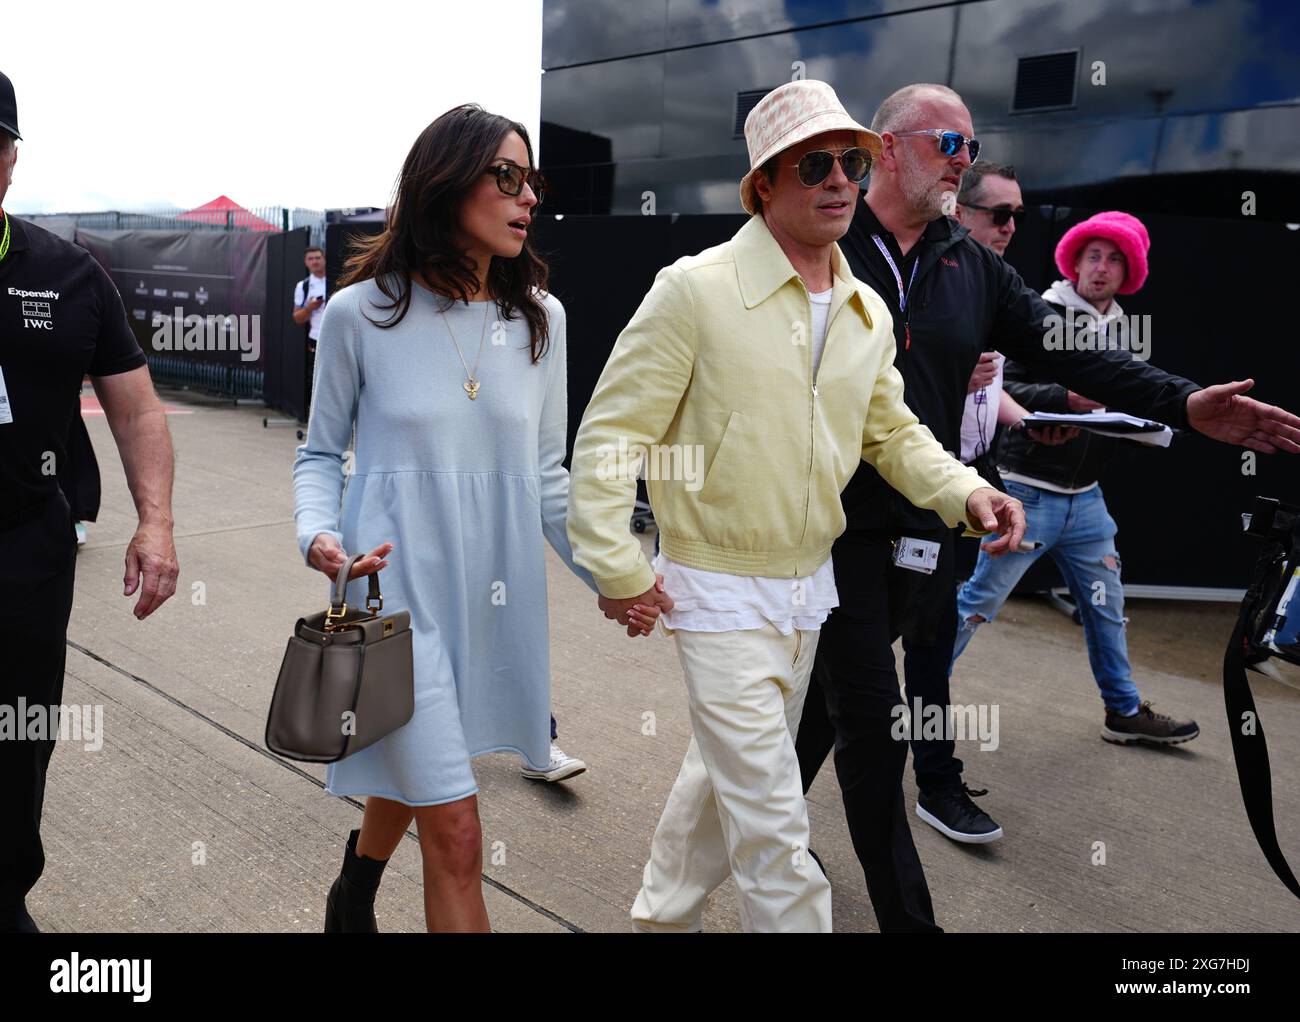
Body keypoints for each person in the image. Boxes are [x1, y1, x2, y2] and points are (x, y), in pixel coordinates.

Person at [792, 82, 1300, 930]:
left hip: (928, 513)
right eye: (947, 144)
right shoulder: (827, 237)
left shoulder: (971, 265)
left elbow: (1078, 354)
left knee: (838, 699)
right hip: (823, 520)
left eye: (970, 148)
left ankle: (761, 822)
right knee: (874, 725)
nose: (964, 162)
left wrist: (1183, 404)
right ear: (885, 147)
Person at [566, 79, 1026, 933]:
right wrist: (619, 567)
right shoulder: (693, 291)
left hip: (808, 591)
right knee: (777, 827)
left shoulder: (862, 312)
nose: (840, 179)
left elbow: (893, 432)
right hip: (713, 588)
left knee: (721, 781)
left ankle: (659, 920)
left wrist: (969, 491)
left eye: (851, 160)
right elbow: (608, 440)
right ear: (764, 185)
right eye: (813, 163)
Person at [293, 104, 657, 934]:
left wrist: (615, 575)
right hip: (396, 600)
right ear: (446, 184)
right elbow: (318, 456)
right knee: (457, 832)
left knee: (421, 764)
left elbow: (547, 478)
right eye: (505, 176)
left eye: (531, 180)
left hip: (495, 599)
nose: (525, 195)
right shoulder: (359, 315)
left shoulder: (541, 322)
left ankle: (355, 885)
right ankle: (361, 888)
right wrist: (320, 536)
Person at [0, 69, 180, 933]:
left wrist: (155, 520)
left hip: (25, 553)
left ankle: (4, 893)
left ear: (10, 159)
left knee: (20, 734)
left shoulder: (68, 274)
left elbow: (137, 406)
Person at [952, 211, 1201, 746]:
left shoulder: (1123, 330)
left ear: (1128, 271)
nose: (1102, 268)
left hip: (1086, 500)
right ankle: (906, 709)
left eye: (1115, 259)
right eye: (1094, 255)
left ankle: (1123, 710)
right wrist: (1064, 399)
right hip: (1024, 490)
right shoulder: (1039, 310)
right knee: (976, 603)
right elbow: (1005, 387)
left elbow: (1125, 403)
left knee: (1107, 606)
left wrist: (1147, 427)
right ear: (1075, 261)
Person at [292, 246, 327, 404]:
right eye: (311, 259)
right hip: (317, 339)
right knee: (317, 380)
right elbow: (297, 318)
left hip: (340, 337)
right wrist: (310, 308)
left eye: (318, 258)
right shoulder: (303, 286)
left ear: (324, 259)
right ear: (306, 263)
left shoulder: (336, 279)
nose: (315, 261)